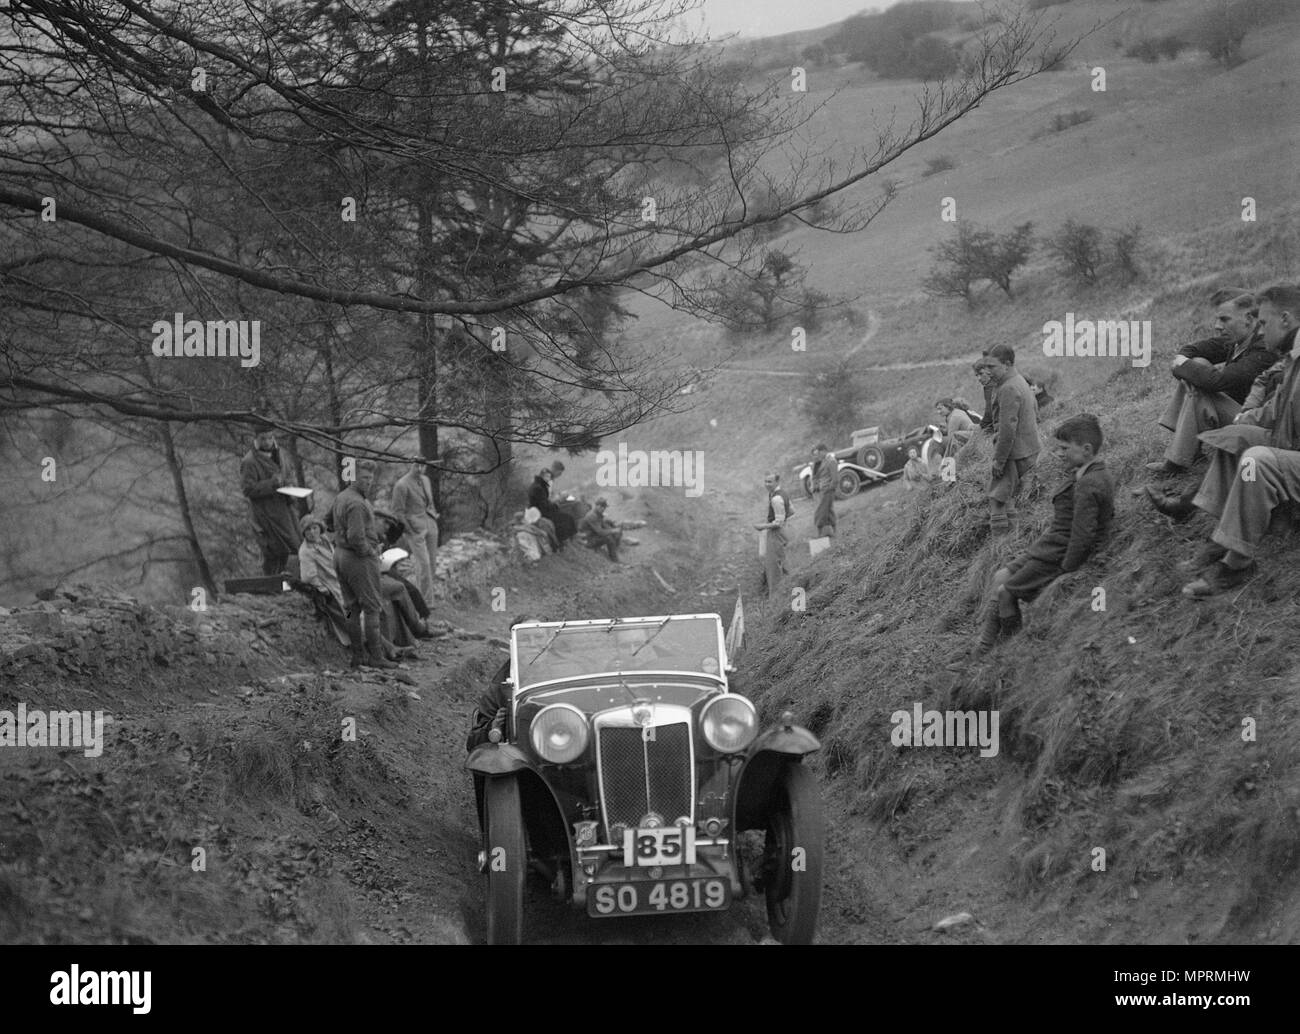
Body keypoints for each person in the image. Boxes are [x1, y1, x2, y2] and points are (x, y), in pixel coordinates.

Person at [953, 414, 1114, 662]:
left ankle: (1002, 652)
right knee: (999, 577)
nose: (1059, 454)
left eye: (1064, 449)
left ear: (1087, 449)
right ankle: (984, 648)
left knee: (1006, 592)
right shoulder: (1083, 474)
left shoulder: (1089, 483)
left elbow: (1082, 535)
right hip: (1050, 546)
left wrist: (1067, 570)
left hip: (1058, 554)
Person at [1175, 285, 1300, 596]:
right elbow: (1281, 405)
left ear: (1285, 319)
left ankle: (1236, 563)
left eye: (1263, 322)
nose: (1259, 329)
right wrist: (1246, 419)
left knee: (1257, 460)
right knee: (1235, 438)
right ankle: (1220, 539)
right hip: (1291, 446)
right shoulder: (1293, 356)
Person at [1147, 290, 1270, 476]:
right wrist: (1182, 362)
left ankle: (1177, 462)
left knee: (1199, 383)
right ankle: (1191, 450)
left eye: (1224, 319)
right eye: (1217, 319)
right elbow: (1192, 349)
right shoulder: (1237, 340)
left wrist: (1183, 367)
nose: (1217, 326)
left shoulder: (1264, 348)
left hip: (1256, 428)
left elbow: (1218, 381)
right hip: (1238, 413)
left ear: (1248, 319)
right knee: (1196, 365)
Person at [330, 460, 397, 669]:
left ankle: (357, 656)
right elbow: (356, 538)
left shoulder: (342, 497)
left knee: (351, 608)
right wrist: (371, 551)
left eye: (370, 478)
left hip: (340, 556)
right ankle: (376, 656)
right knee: (372, 607)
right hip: (357, 560)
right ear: (353, 477)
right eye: (364, 478)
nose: (368, 482)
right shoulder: (357, 503)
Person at [983, 344, 1041, 536]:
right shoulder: (1020, 380)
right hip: (1028, 447)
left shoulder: (1008, 388)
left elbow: (1007, 429)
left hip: (1014, 452)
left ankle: (1002, 544)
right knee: (1007, 496)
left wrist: (999, 460)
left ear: (1006, 364)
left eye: (992, 367)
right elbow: (1035, 411)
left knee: (997, 497)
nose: (988, 372)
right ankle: (1014, 537)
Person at [240, 431, 302, 574]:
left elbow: (290, 474)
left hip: (286, 510)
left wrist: (290, 485)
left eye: (270, 438)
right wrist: (271, 484)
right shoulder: (249, 461)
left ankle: (292, 586)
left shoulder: (281, 454)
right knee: (274, 551)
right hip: (267, 514)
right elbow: (248, 490)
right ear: (256, 439)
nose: (267, 442)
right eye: (263, 438)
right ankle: (273, 587)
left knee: (296, 546)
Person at [389, 455, 440, 602]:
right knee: (423, 564)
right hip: (414, 529)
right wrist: (409, 530)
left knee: (432, 563)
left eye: (422, 466)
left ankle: (428, 599)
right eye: (416, 465)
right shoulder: (401, 485)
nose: (419, 469)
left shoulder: (426, 480)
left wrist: (434, 516)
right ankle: (425, 603)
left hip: (430, 524)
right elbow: (397, 511)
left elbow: (429, 502)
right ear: (411, 465)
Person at [754, 471, 793, 598]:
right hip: (781, 531)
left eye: (770, 482)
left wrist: (762, 526)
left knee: (773, 566)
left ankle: (776, 596)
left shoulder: (776, 498)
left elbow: (778, 523)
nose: (767, 484)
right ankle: (790, 586)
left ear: (777, 482)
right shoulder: (781, 494)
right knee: (782, 560)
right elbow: (792, 511)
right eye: (765, 481)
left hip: (776, 533)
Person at [527, 466, 575, 547]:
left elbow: (544, 502)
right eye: (546, 476)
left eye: (549, 477)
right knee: (566, 518)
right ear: (541, 476)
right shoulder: (538, 488)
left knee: (565, 516)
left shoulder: (539, 485)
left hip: (539, 510)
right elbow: (544, 506)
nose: (548, 479)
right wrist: (556, 504)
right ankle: (561, 541)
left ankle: (566, 541)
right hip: (540, 512)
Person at [809, 443, 837, 538]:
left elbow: (835, 479)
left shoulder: (831, 461)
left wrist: (829, 489)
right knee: (829, 511)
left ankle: (819, 533)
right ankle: (832, 532)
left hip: (827, 490)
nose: (818, 455)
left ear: (824, 451)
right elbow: (816, 476)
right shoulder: (823, 461)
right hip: (822, 490)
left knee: (820, 512)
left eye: (819, 453)